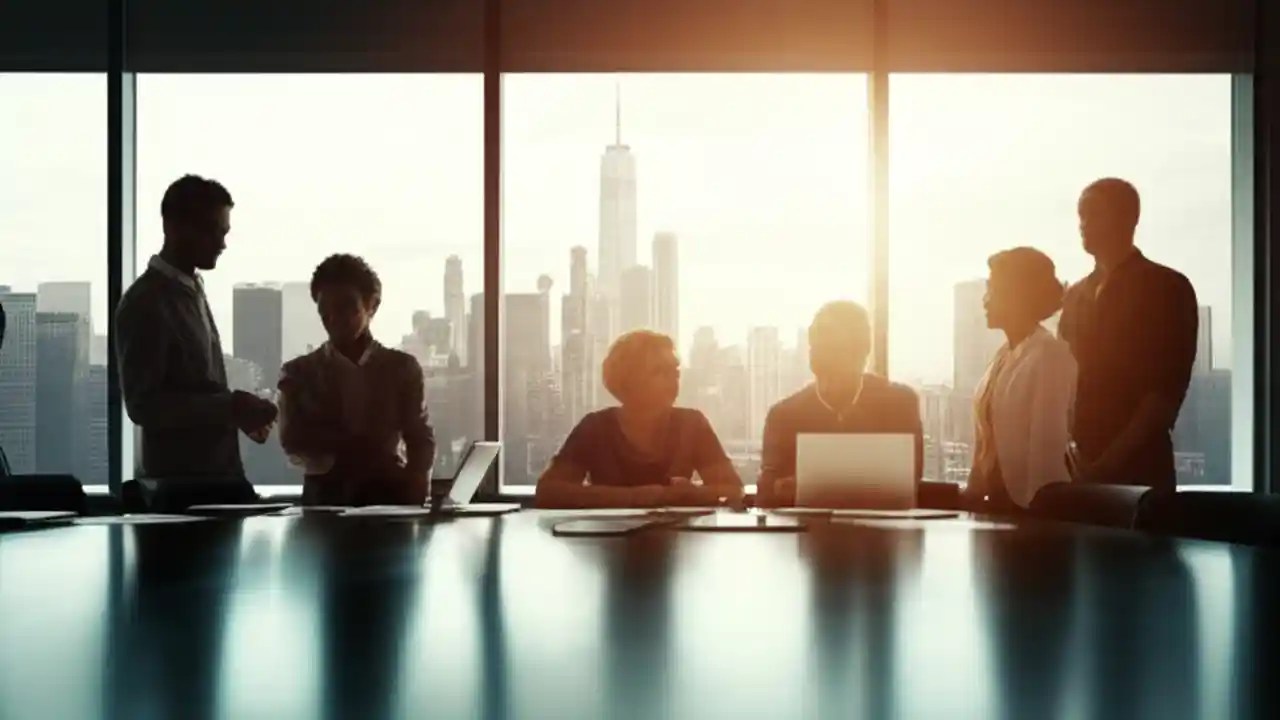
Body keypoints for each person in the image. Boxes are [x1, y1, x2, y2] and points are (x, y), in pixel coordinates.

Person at [116, 175, 277, 480]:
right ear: (173, 226)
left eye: (224, 232)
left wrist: (238, 412)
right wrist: (230, 406)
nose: (222, 243)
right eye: (211, 231)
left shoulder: (190, 290)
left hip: (214, 479)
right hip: (181, 489)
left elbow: (195, 391)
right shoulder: (146, 302)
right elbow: (144, 406)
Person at [1059, 178, 1198, 492]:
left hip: (1140, 469)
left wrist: (1106, 465)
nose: (1083, 224)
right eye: (1081, 214)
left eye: (1094, 213)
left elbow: (1164, 392)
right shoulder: (1075, 295)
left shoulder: (1166, 287)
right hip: (1080, 467)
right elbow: (1065, 382)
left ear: (1128, 218)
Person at [278, 254, 435, 506]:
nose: (334, 319)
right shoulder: (298, 372)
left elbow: (419, 437)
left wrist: (416, 484)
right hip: (326, 503)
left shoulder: (402, 368)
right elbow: (292, 440)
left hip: (389, 498)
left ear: (372, 305)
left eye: (345, 308)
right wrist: (367, 450)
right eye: (325, 311)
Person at [535, 330, 743, 508]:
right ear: (628, 378)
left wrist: (693, 494)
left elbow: (733, 489)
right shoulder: (595, 427)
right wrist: (640, 497)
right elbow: (549, 492)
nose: (673, 379)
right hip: (609, 543)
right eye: (660, 371)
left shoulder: (692, 423)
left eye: (675, 371)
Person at [757, 301, 922, 508]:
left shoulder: (899, 403)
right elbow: (765, 495)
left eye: (829, 340)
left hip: (883, 534)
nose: (817, 348)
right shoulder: (783, 414)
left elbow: (910, 480)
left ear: (862, 351)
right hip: (806, 532)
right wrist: (785, 489)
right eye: (815, 339)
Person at [963, 248, 1077, 513]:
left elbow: (1045, 449)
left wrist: (1041, 516)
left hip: (1031, 509)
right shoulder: (1002, 356)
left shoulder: (1050, 355)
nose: (985, 300)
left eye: (992, 290)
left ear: (1017, 295)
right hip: (995, 505)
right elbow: (986, 443)